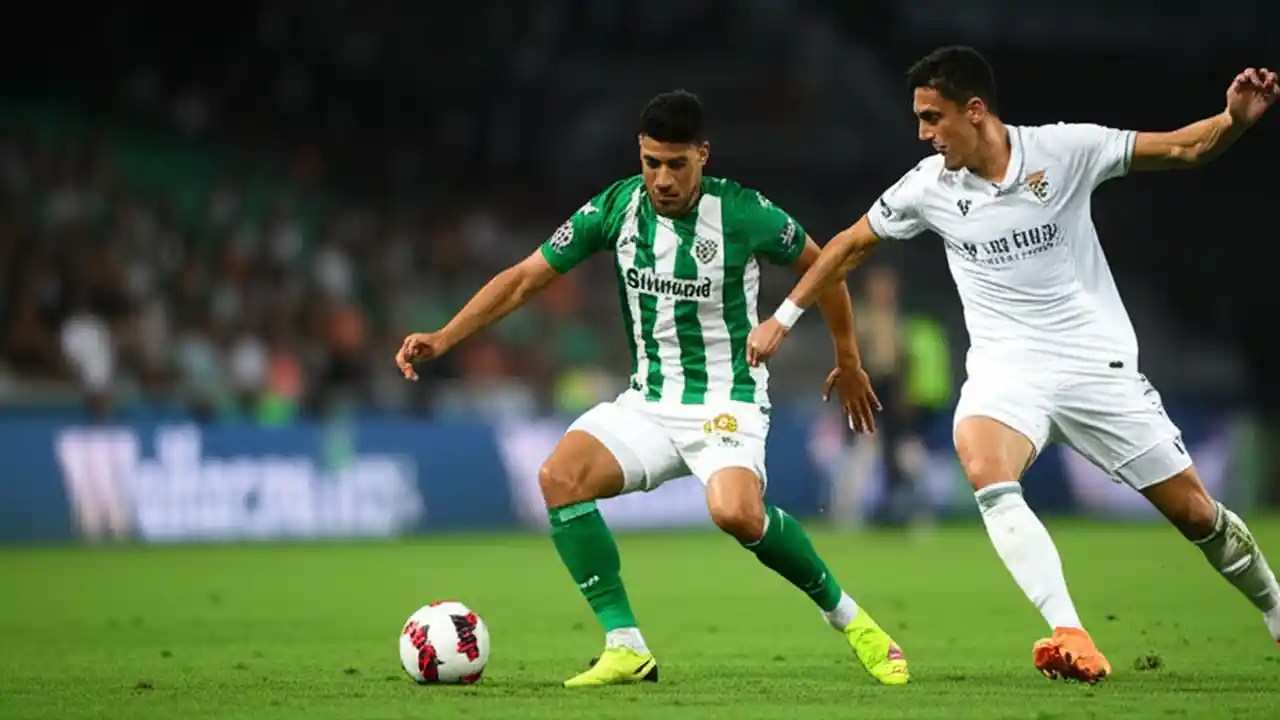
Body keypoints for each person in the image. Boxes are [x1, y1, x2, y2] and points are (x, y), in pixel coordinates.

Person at [746, 46, 1280, 684]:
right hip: (1006, 370)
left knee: (1196, 513)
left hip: (1093, 364)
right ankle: (1071, 632)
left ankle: (1275, 611)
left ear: (975, 110)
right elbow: (847, 245)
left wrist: (1235, 120)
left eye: (932, 117)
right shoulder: (928, 187)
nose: (922, 133)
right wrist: (783, 317)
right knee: (982, 463)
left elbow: (1187, 148)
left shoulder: (1066, 150)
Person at [395, 90, 909, 687]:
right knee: (559, 477)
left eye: (676, 164)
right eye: (651, 162)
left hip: (726, 398)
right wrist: (446, 336)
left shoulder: (744, 213)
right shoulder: (616, 207)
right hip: (649, 399)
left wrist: (849, 358)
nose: (662, 178)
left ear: (703, 156)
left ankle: (850, 619)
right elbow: (524, 279)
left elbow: (828, 268)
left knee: (736, 513)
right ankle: (625, 645)